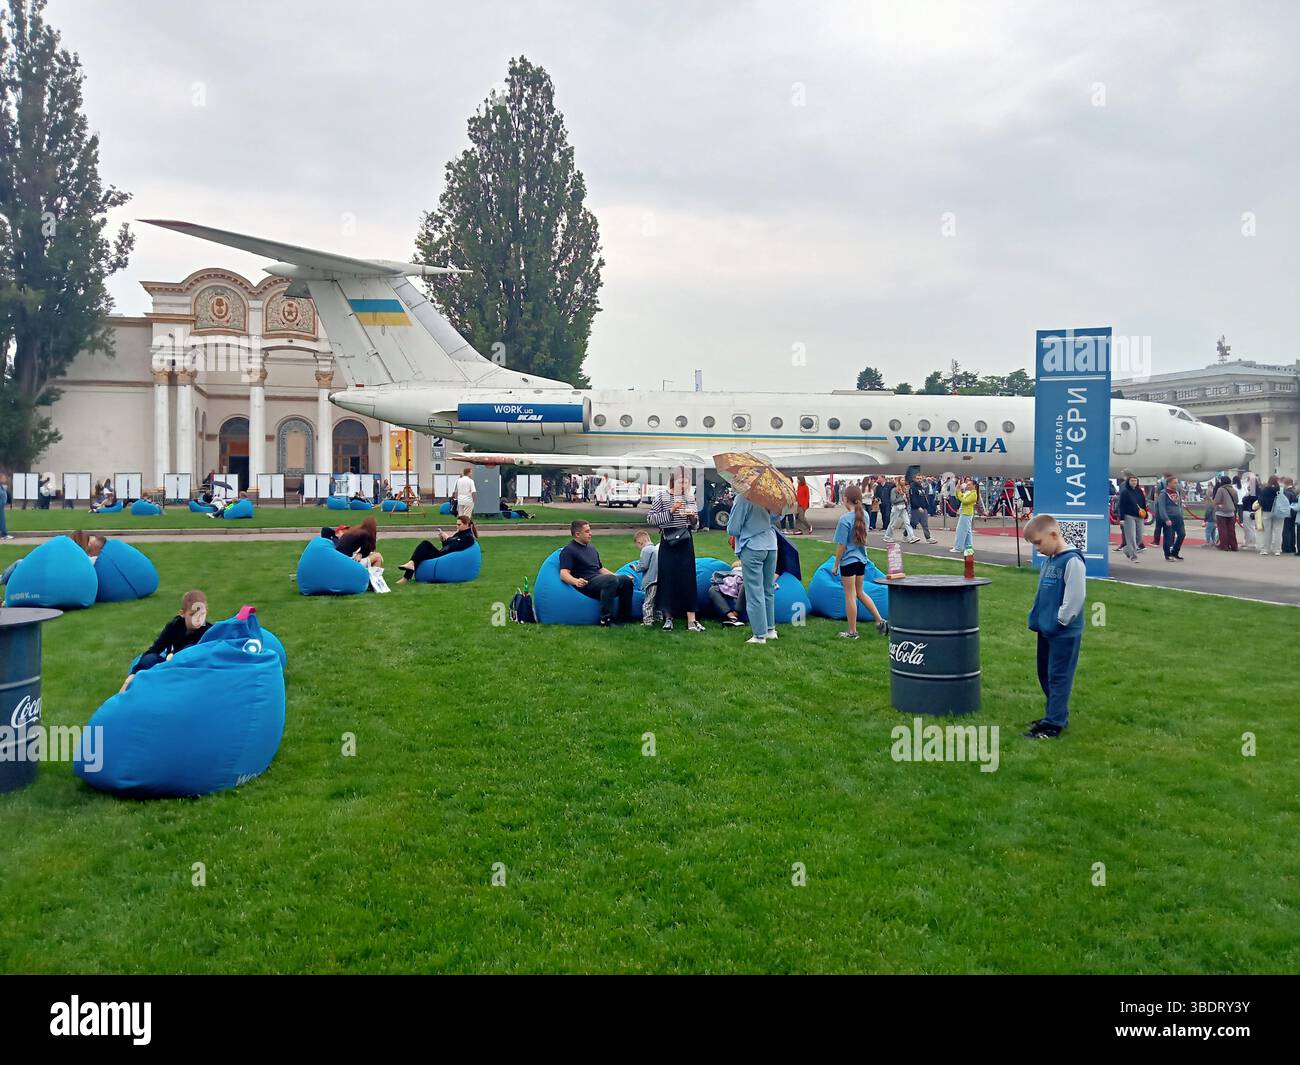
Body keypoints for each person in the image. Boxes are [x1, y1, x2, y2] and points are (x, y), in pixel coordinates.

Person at [1022, 515, 1086, 740]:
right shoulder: (1050, 559)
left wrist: (1060, 620)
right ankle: (1056, 714)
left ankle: (1053, 725)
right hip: (1046, 629)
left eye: (1038, 543)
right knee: (1045, 674)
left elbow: (1074, 598)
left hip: (1063, 632)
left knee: (1059, 676)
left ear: (1053, 535)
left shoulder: (1072, 561)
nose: (1037, 549)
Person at [121, 590, 211, 691]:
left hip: (191, 670)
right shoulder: (175, 626)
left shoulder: (208, 631)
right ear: (182, 613)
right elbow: (156, 648)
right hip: (170, 665)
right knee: (149, 659)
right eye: (192, 614)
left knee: (188, 650)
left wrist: (174, 654)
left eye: (202, 614)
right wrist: (133, 673)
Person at [648, 469, 704, 632]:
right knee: (668, 577)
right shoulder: (661, 496)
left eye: (687, 482)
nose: (684, 485)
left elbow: (695, 525)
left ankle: (691, 619)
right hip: (668, 540)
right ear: (673, 482)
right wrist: (671, 511)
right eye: (681, 481)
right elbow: (651, 519)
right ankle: (668, 617)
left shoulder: (690, 497)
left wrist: (693, 518)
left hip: (686, 540)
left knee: (688, 578)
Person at [832, 485, 887, 639]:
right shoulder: (865, 516)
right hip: (861, 560)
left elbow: (841, 545)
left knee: (850, 595)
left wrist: (836, 564)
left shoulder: (844, 520)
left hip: (848, 562)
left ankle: (852, 632)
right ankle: (880, 620)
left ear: (845, 499)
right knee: (860, 592)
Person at [726, 489, 778, 644]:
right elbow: (775, 517)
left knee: (754, 591)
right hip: (771, 545)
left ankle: (759, 635)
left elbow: (733, 528)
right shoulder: (768, 495)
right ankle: (770, 629)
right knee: (768, 589)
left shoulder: (743, 498)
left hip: (753, 547)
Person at [559, 519, 633, 626]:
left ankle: (625, 618)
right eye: (587, 531)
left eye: (590, 530)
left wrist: (619, 576)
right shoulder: (569, 550)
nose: (590, 534)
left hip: (598, 580)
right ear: (577, 534)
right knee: (610, 580)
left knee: (626, 581)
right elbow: (563, 573)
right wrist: (576, 581)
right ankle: (606, 619)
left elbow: (600, 569)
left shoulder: (591, 548)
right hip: (586, 583)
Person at [397, 514, 477, 583]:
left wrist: (448, 538)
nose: (457, 526)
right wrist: (443, 540)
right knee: (424, 547)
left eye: (459, 525)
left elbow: (456, 547)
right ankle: (410, 567)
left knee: (424, 547)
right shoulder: (458, 534)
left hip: (445, 558)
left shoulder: (468, 537)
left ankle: (406, 576)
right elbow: (449, 545)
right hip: (443, 554)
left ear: (467, 525)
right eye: (456, 524)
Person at [631, 529, 660, 626]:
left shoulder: (646, 550)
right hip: (659, 579)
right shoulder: (656, 549)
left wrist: (636, 568)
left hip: (651, 580)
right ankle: (658, 618)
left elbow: (643, 565)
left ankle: (647, 621)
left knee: (648, 602)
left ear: (640, 542)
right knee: (657, 601)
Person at [707, 561, 748, 627]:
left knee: (745, 585)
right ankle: (731, 616)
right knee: (712, 589)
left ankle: (735, 614)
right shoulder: (727, 576)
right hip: (727, 593)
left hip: (742, 601)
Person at [1155, 474, 1186, 561]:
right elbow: (1161, 507)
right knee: (1168, 536)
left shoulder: (1177, 492)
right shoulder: (1163, 494)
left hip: (1178, 517)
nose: (1177, 484)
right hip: (1169, 517)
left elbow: (1179, 504)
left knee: (1182, 534)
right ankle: (1167, 554)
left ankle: (1175, 552)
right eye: (1175, 483)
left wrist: (1181, 512)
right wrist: (1166, 519)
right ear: (1168, 483)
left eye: (1177, 483)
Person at [1117, 474, 1146, 562]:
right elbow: (1121, 505)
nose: (1134, 482)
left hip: (1139, 516)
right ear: (1128, 482)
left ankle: (1126, 549)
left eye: (1135, 481)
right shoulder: (1125, 492)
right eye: (1132, 481)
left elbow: (1143, 503)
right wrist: (1122, 519)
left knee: (1140, 537)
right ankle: (1133, 556)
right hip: (1129, 516)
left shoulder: (1140, 491)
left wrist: (1145, 514)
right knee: (1131, 537)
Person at [1257, 475, 1287, 556]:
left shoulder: (1265, 489)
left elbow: (1260, 500)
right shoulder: (1281, 489)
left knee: (1266, 531)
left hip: (1267, 511)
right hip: (1279, 512)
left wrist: (1264, 506)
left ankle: (1264, 549)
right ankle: (1277, 550)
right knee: (1278, 531)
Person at [885, 476, 916, 544]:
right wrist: (902, 498)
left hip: (903, 507)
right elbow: (893, 500)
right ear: (899, 481)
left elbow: (906, 499)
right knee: (893, 523)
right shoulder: (894, 490)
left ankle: (912, 536)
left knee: (907, 522)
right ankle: (887, 536)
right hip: (896, 507)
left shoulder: (904, 489)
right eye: (902, 480)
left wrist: (906, 499)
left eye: (904, 480)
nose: (903, 481)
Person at [950, 478, 978, 554]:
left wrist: (959, 492)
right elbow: (959, 497)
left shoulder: (974, 494)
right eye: (967, 484)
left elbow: (965, 501)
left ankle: (958, 547)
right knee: (967, 531)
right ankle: (968, 547)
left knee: (961, 531)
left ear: (974, 485)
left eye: (969, 484)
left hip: (966, 513)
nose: (967, 486)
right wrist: (958, 489)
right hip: (964, 512)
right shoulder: (968, 492)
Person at [907, 477, 937, 544]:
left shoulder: (921, 487)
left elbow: (924, 497)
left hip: (924, 508)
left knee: (925, 524)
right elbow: (913, 499)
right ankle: (906, 535)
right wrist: (918, 507)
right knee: (913, 523)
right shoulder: (913, 488)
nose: (919, 480)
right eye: (917, 478)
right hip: (916, 509)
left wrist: (926, 506)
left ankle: (928, 537)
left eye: (920, 478)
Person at [1213, 476, 1239, 551]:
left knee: (1222, 530)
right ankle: (1234, 546)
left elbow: (1216, 500)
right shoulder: (1233, 490)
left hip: (1221, 512)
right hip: (1231, 512)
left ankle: (1224, 546)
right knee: (1231, 530)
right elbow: (1236, 501)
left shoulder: (1220, 490)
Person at [0, 473, 11, 541]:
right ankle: (4, 534)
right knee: (2, 520)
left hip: (1, 506)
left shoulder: (2, 486)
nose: (5, 479)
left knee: (2, 520)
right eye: (3, 478)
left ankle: (4, 534)